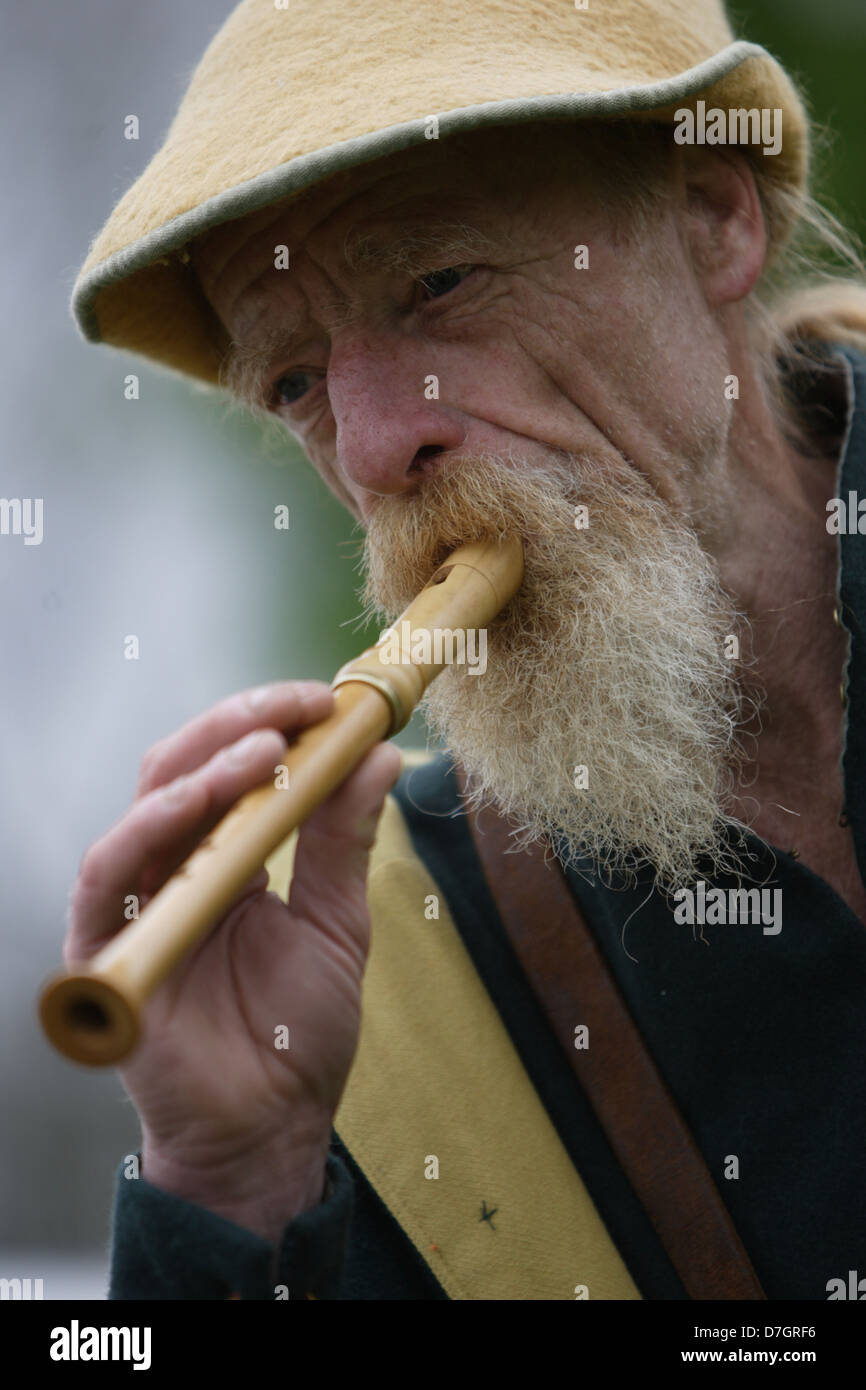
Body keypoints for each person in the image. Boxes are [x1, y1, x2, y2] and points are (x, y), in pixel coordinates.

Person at [65, 0, 866, 1299]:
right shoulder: (362, 968)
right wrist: (229, 1189)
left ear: (713, 215)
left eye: (438, 284)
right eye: (295, 381)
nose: (377, 450)